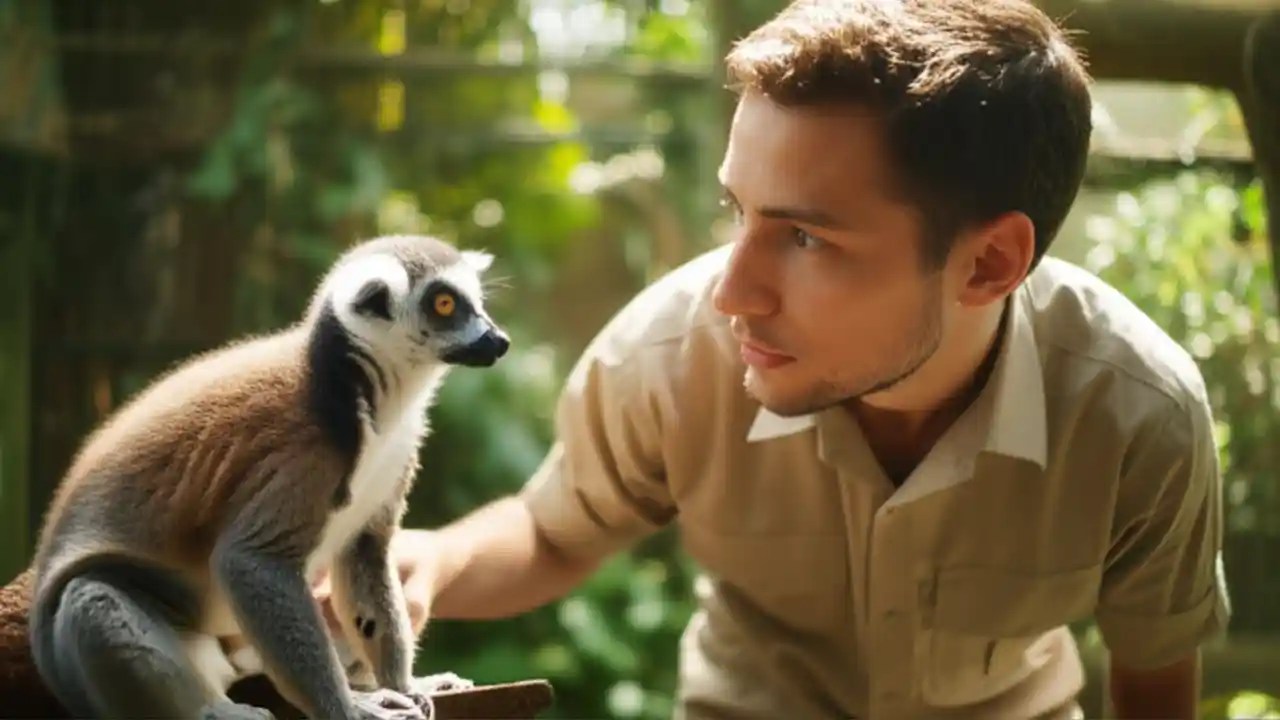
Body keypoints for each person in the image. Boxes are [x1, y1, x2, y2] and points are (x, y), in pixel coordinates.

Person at [316, 1, 1231, 717]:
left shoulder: (1137, 415)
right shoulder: (669, 355)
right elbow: (556, 531)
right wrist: (430, 561)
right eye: (738, 211)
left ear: (989, 263)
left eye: (805, 237)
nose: (730, 291)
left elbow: (1155, 685)